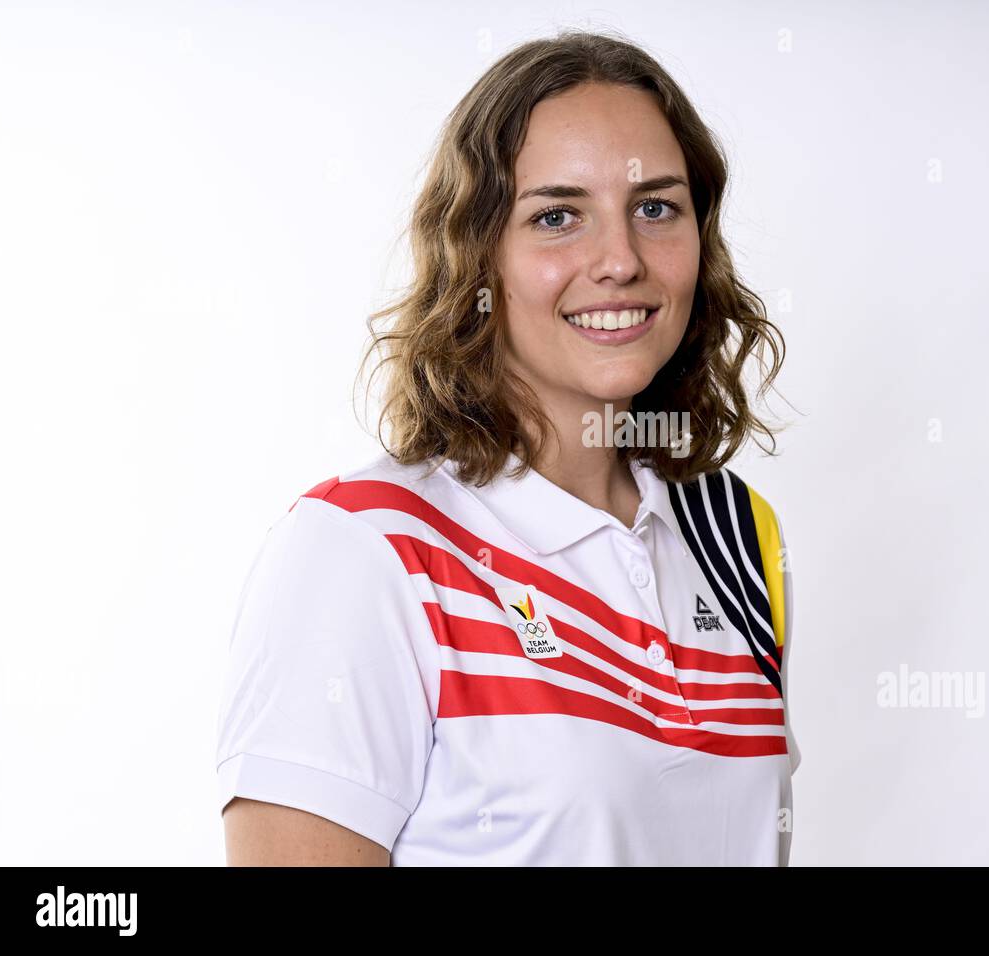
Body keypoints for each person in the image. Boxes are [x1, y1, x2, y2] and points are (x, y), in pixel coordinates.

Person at [215, 28, 798, 866]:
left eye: (655, 208)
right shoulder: (364, 548)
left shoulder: (740, 534)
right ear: (477, 254)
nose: (619, 260)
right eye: (557, 216)